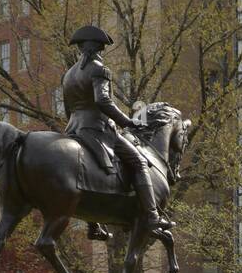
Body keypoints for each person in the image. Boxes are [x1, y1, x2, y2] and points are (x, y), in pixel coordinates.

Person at [62, 26, 171, 242]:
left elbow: (68, 108)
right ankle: (152, 215)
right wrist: (127, 122)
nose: (102, 52)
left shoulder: (69, 74)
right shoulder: (99, 70)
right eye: (101, 48)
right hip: (99, 129)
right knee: (139, 162)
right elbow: (103, 101)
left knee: (85, 173)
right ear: (95, 49)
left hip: (74, 129)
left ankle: (94, 225)